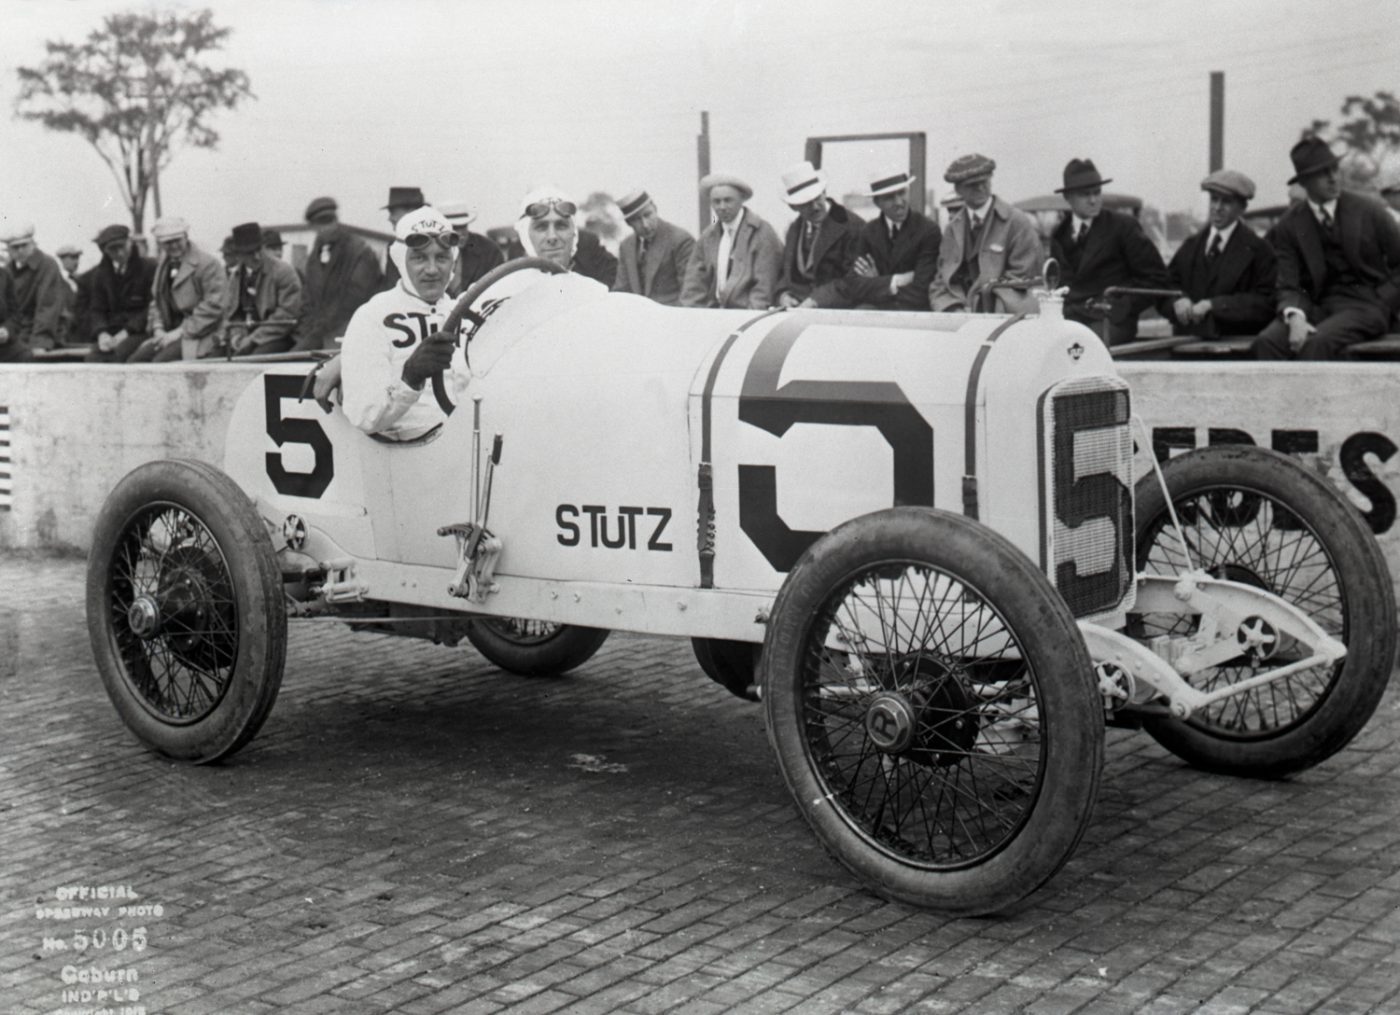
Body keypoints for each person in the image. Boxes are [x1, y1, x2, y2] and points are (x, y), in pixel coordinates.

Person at [1253, 138, 1400, 360]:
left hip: (1366, 305)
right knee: (1267, 343)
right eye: (1322, 173)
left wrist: (1383, 298)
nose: (1333, 178)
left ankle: (1309, 397)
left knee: (1316, 344)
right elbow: (1288, 283)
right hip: (1317, 306)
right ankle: (1279, 396)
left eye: (1334, 169)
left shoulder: (1369, 210)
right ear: (1303, 182)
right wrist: (1295, 317)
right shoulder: (1290, 224)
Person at [341, 206, 466, 439]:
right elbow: (364, 416)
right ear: (400, 260)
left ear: (453, 261)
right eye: (419, 258)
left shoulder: (467, 312)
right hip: (406, 459)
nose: (432, 270)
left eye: (441, 258)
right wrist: (410, 378)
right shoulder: (373, 316)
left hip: (469, 452)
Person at [1048, 158, 1169, 344]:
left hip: (1111, 322)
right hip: (1071, 321)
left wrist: (1122, 306)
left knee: (1084, 347)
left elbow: (1156, 278)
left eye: (1097, 192)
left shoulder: (1123, 227)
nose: (1093, 200)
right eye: (1084, 194)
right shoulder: (1059, 234)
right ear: (1067, 198)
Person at [1162, 169, 1277, 339]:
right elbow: (1167, 285)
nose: (1217, 208)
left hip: (1236, 348)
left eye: (1226, 202)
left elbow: (1266, 303)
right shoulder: (1191, 245)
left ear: (1242, 208)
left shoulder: (1260, 250)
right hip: (1185, 345)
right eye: (1214, 199)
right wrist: (1178, 301)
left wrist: (1214, 306)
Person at [929, 154, 1044, 314]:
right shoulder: (952, 229)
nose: (981, 189)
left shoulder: (1017, 222)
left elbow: (1024, 279)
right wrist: (952, 308)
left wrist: (978, 307)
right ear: (958, 190)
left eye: (985, 182)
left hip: (1004, 317)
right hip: (960, 317)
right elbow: (941, 281)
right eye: (973, 185)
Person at [129, 216, 226, 362]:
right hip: (169, 333)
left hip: (201, 333)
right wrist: (158, 329)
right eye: (168, 243)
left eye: (177, 240)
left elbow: (214, 307)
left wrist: (179, 332)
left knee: (161, 364)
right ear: (160, 244)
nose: (173, 246)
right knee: (136, 361)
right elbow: (157, 301)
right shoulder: (163, 265)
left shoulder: (208, 264)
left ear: (186, 237)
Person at [294, 195, 384, 352]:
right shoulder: (316, 253)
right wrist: (306, 329)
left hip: (351, 329)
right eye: (319, 226)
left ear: (335, 221)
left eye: (328, 223)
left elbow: (354, 298)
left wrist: (319, 330)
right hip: (318, 331)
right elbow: (308, 295)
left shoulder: (359, 251)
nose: (324, 230)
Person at [841, 169, 940, 310]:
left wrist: (876, 282)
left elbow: (922, 290)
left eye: (902, 193)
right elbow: (852, 285)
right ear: (877, 202)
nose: (899, 202)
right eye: (889, 197)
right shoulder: (867, 232)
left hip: (914, 314)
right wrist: (897, 280)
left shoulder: (928, 230)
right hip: (878, 312)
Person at [681, 173, 783, 309]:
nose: (722, 207)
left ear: (741, 200)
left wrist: (748, 317)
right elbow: (694, 284)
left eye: (728, 200)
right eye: (716, 202)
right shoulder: (707, 237)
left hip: (747, 314)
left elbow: (764, 287)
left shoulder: (762, 232)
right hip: (714, 313)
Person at [773, 162, 863, 309]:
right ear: (793, 206)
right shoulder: (793, 230)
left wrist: (817, 300)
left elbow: (854, 280)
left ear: (824, 192)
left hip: (837, 312)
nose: (815, 207)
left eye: (817, 198)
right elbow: (785, 274)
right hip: (799, 311)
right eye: (806, 203)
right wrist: (782, 295)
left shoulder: (852, 226)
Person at [220, 221, 303, 357]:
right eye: (249, 253)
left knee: (254, 359)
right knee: (215, 358)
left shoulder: (284, 271)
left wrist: (253, 339)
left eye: (259, 250)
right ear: (238, 255)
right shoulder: (235, 277)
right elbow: (232, 313)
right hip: (247, 335)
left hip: (281, 336)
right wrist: (236, 336)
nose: (257, 256)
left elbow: (287, 314)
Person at [514, 186, 618, 284]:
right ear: (525, 236)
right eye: (541, 227)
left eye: (561, 226)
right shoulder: (510, 284)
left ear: (574, 232)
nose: (552, 236)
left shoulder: (595, 275)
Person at [85, 224, 157, 363]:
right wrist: (102, 333)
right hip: (112, 332)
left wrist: (127, 332)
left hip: (141, 331)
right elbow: (96, 308)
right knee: (93, 359)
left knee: (118, 356)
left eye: (122, 246)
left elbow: (152, 307)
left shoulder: (149, 268)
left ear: (130, 242)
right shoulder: (101, 274)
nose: (120, 253)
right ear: (105, 251)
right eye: (113, 249)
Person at [613, 189, 695, 306]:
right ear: (628, 223)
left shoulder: (681, 240)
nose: (645, 225)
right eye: (637, 220)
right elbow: (621, 291)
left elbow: (690, 292)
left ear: (655, 209)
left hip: (672, 316)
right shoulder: (626, 246)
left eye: (647, 215)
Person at [1, 224, 68, 359]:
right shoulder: (7, 270)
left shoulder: (47, 265)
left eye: (24, 245)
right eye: (15, 247)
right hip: (18, 333)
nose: (20, 251)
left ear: (33, 244)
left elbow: (48, 308)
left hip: (45, 334)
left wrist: (40, 342)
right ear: (8, 249)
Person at [440, 200, 505, 296]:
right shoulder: (428, 251)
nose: (461, 233)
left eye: (464, 226)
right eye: (455, 227)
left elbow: (500, 288)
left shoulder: (489, 250)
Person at [381, 186, 427, 290]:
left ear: (411, 213)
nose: (390, 218)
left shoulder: (438, 243)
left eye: (392, 212)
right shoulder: (393, 247)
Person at [55, 243, 90, 345]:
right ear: (62, 259)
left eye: (78, 257)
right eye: (73, 257)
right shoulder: (56, 280)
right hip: (65, 332)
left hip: (82, 331)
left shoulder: (81, 279)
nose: (77, 261)